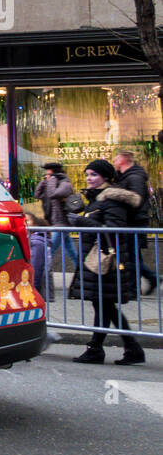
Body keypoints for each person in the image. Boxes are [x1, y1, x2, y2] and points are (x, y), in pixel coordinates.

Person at [66, 159, 146, 365]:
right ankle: (127, 348)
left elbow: (112, 227)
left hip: (107, 260)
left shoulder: (112, 199)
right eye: (87, 174)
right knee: (103, 305)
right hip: (98, 259)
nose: (89, 178)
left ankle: (99, 348)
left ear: (106, 177)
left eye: (93, 175)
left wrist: (83, 221)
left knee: (104, 304)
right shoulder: (98, 199)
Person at [111, 149, 157, 295]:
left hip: (134, 222)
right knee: (132, 255)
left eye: (116, 159)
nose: (114, 162)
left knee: (132, 255)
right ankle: (151, 278)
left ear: (124, 159)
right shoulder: (125, 177)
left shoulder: (134, 177)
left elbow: (136, 199)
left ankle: (133, 289)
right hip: (130, 222)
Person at [35, 161, 78, 265]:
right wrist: (43, 182)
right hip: (55, 222)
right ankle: (81, 269)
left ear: (55, 174)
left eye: (48, 174)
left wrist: (52, 180)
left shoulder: (65, 184)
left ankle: (44, 273)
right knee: (71, 251)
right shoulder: (50, 184)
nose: (46, 177)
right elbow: (37, 195)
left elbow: (53, 194)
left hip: (61, 223)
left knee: (50, 250)